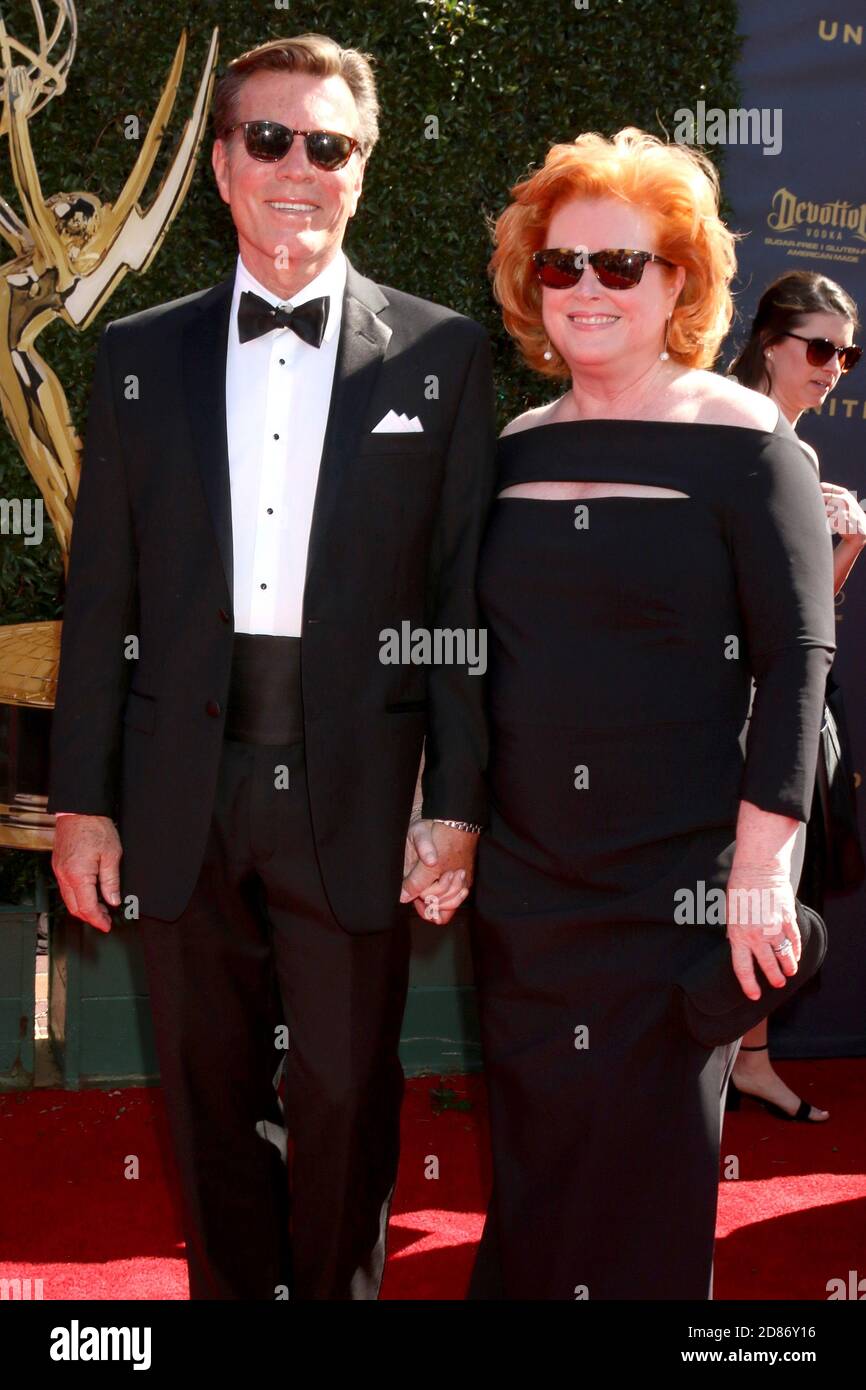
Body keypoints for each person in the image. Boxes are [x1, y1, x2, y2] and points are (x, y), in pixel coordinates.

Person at [47, 33, 496, 1300]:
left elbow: (459, 596)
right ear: (220, 166)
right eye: (269, 138)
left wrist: (456, 799)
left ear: (362, 168)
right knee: (208, 1088)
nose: (299, 166)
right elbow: (102, 596)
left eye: (328, 145)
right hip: (181, 778)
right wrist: (82, 801)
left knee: (346, 1086)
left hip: (360, 782)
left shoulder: (441, 354)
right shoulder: (139, 354)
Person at [466, 128, 836, 1300]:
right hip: (529, 885)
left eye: (619, 264)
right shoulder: (514, 450)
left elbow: (795, 658)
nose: (586, 288)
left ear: (677, 281)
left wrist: (758, 867)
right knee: (534, 1163)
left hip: (673, 880)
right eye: (560, 264)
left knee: (644, 1179)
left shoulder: (745, 443)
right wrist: (447, 819)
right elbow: (479, 662)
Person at [727, 271, 865, 1123]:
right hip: (720, 706)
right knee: (728, 886)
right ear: (770, 341)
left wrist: (842, 547)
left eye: (847, 355)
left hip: (777, 697)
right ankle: (701, 1072)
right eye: (819, 349)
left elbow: (808, 618)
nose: (833, 368)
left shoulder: (796, 449)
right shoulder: (728, 425)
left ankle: (752, 1059)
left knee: (773, 886)